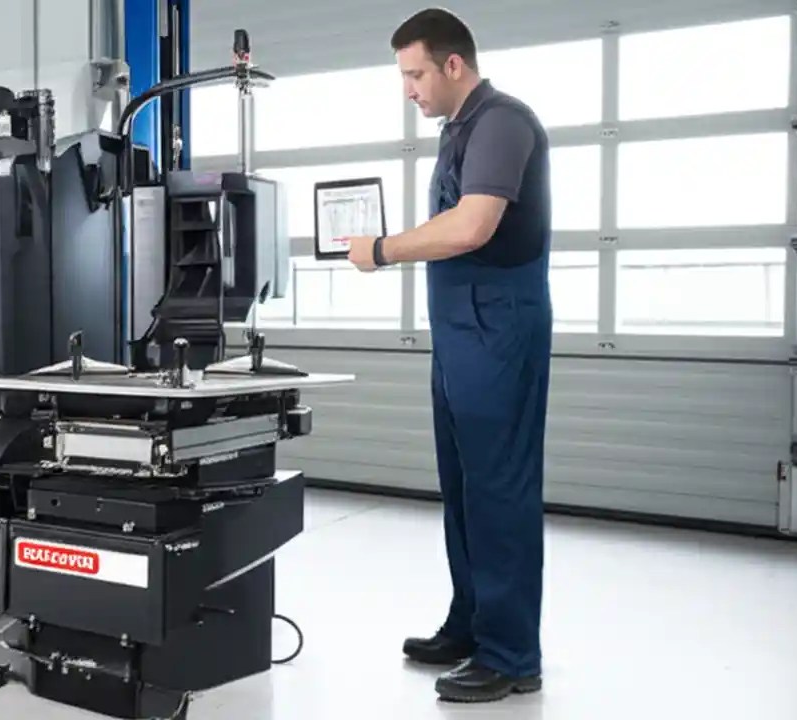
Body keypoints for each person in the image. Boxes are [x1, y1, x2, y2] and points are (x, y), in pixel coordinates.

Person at [342, 8, 554, 704]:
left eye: (415, 73)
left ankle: (512, 653)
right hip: (462, 333)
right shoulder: (458, 131)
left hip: (499, 329)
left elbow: (471, 225)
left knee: (500, 490)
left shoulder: (502, 122)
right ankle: (472, 624)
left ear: (453, 65)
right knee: (465, 488)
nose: (409, 89)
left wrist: (379, 249)